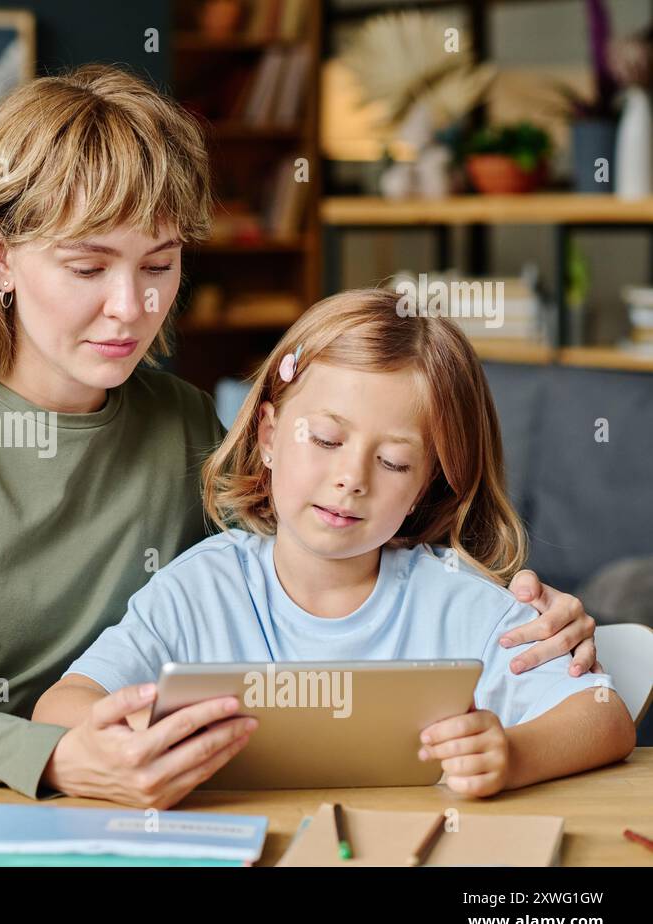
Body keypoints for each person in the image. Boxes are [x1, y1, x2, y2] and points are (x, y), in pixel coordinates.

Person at [0, 65, 601, 806]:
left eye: (158, 265)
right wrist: (57, 759)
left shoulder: (184, 421)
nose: (132, 308)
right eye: (87, 267)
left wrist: (527, 622)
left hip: (60, 795)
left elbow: (295, 569)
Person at [35, 289, 635, 805]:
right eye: (324, 439)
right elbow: (60, 705)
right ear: (269, 437)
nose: (352, 479)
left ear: (426, 485)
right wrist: (131, 732)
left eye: (393, 461)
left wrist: (514, 754)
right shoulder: (200, 589)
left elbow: (605, 712)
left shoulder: (459, 601)